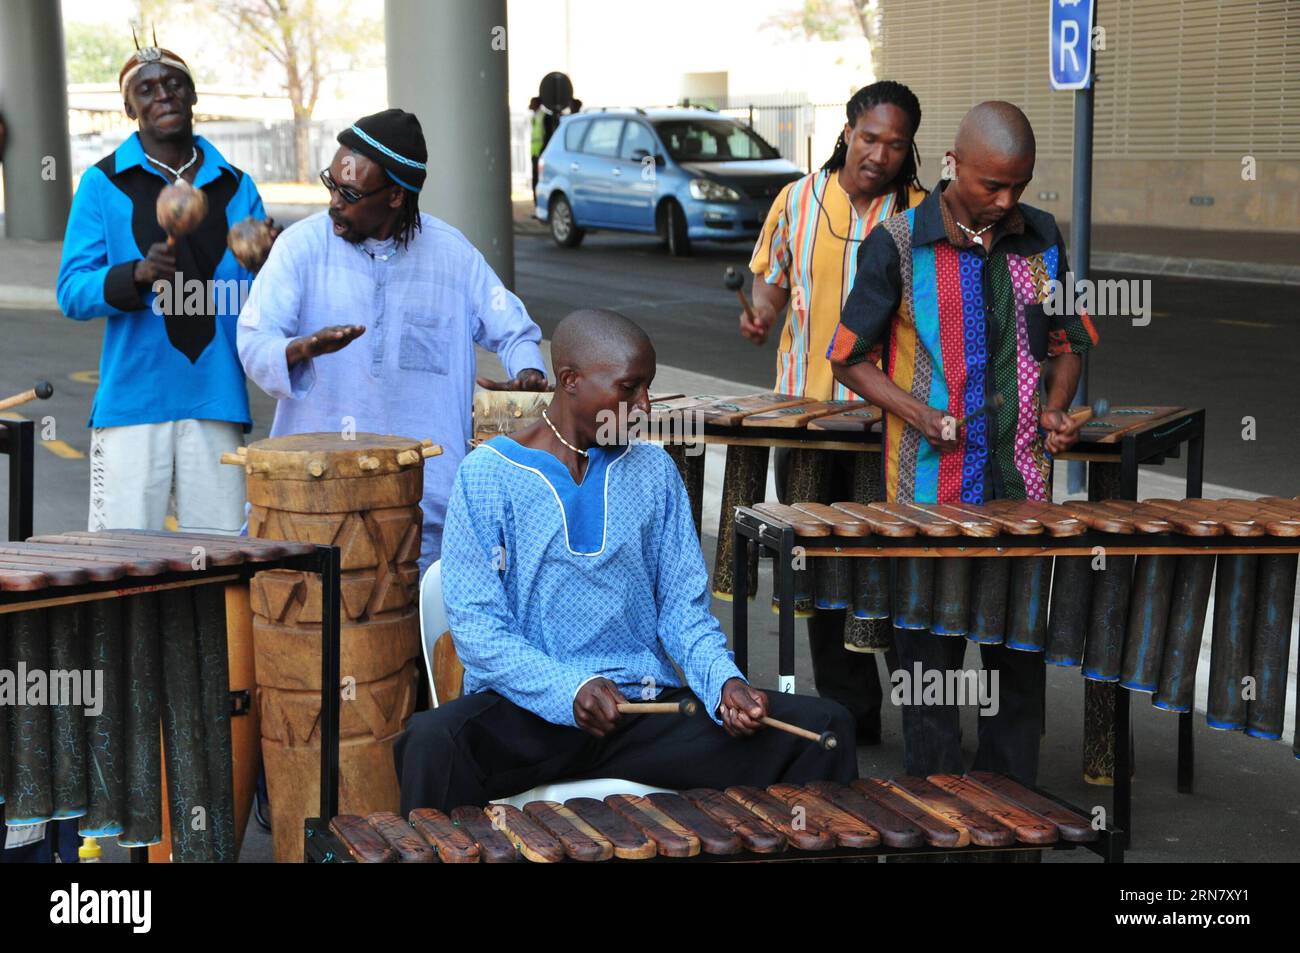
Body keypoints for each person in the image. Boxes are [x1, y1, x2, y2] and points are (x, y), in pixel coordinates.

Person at [395, 310, 856, 812]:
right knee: (429, 742)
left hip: (642, 710)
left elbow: (683, 611)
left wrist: (725, 683)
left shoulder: (655, 470)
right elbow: (480, 632)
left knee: (825, 732)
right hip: (527, 712)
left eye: (647, 388)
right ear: (570, 381)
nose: (644, 405)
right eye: (629, 388)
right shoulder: (486, 474)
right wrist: (569, 688)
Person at [828, 101, 1099, 783]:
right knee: (931, 684)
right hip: (928, 499)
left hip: (1021, 491)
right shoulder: (895, 242)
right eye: (992, 186)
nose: (1006, 201)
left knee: (1017, 680)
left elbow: (1068, 342)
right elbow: (847, 355)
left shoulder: (1041, 236)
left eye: (1019, 185)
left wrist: (1056, 407)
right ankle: (934, 829)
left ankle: (1012, 829)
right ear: (954, 165)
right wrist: (915, 413)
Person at [238, 109, 548, 570]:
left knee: (426, 643)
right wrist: (300, 349)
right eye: (331, 184)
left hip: (427, 512)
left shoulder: (452, 255)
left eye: (350, 194)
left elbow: (515, 331)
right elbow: (254, 341)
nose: (333, 203)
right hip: (311, 503)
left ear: (396, 197)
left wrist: (528, 375)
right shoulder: (301, 247)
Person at [741, 81, 929, 746]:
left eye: (895, 143)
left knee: (888, 567)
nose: (879, 153)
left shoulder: (921, 214)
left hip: (889, 430)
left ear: (910, 150)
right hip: (807, 421)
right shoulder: (797, 199)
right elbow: (770, 273)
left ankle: (922, 716)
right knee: (816, 567)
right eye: (870, 136)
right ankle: (852, 712)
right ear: (848, 130)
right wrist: (762, 309)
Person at [56, 44, 269, 534]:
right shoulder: (102, 182)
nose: (163, 95)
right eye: (145, 89)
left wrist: (266, 266)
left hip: (215, 397)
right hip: (133, 401)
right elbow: (71, 291)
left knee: (219, 564)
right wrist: (135, 275)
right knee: (123, 566)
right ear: (130, 109)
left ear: (193, 95)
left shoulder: (236, 186)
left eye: (173, 84)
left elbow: (258, 305)